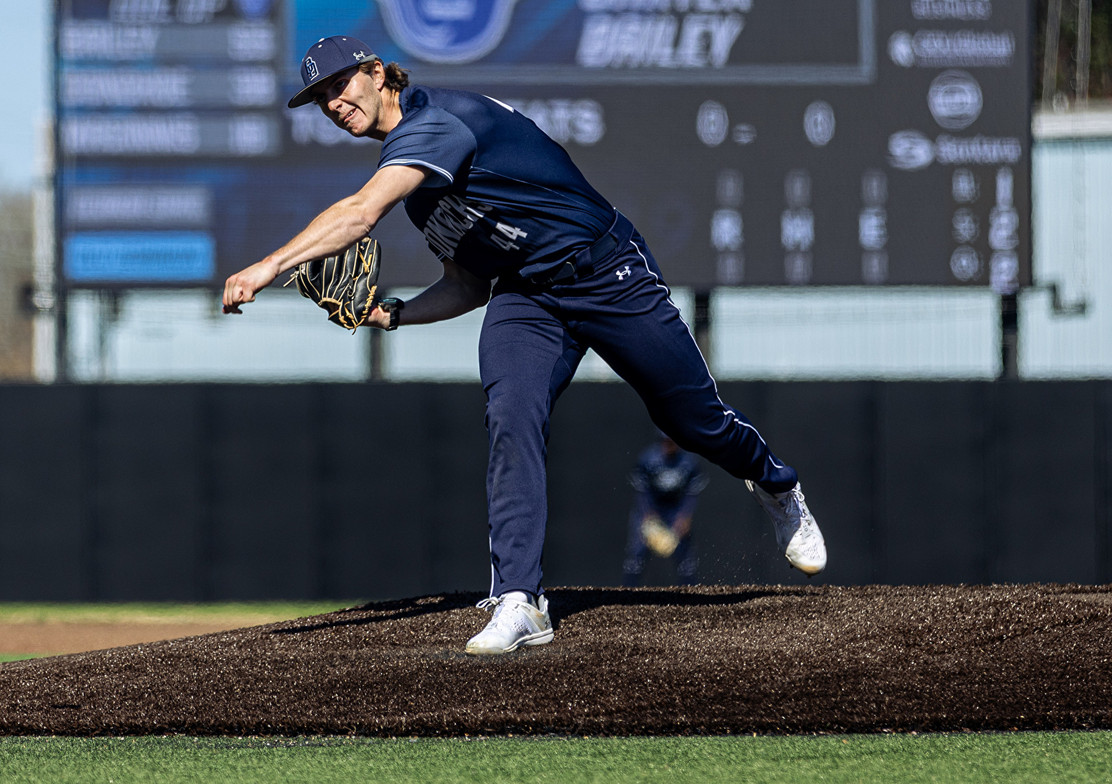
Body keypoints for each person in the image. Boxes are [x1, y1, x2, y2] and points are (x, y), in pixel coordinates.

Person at [222, 36, 825, 655]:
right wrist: (392, 315)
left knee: (690, 419)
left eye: (340, 85)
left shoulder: (435, 125)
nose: (332, 103)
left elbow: (359, 214)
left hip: (605, 273)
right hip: (527, 298)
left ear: (378, 74)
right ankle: (519, 599)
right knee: (511, 415)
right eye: (320, 98)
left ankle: (777, 485)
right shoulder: (425, 192)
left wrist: (267, 267)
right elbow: (467, 285)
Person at [623, 435, 706, 586]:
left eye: (672, 441)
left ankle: (692, 596)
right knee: (636, 553)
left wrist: (685, 515)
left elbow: (692, 492)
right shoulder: (648, 458)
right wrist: (647, 514)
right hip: (652, 509)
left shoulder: (688, 462)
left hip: (675, 510)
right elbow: (642, 490)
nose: (668, 445)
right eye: (665, 441)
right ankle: (627, 595)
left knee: (686, 559)